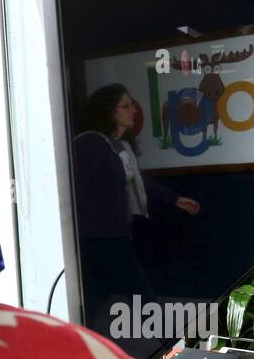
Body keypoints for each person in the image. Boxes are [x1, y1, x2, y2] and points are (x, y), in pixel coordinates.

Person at [71, 83, 200, 330]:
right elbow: (76, 188)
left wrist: (173, 199)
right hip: (100, 238)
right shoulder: (91, 144)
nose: (134, 111)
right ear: (110, 112)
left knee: (94, 298)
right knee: (141, 297)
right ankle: (168, 349)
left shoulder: (118, 146)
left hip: (111, 236)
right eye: (126, 106)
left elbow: (137, 180)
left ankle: (73, 343)